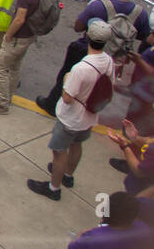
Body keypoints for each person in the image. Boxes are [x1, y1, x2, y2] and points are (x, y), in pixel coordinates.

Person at [28, 20, 116, 201]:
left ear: (87, 36)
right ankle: (68, 175)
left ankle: (53, 187)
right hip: (89, 118)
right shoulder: (108, 62)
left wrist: (67, 79)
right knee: (77, 145)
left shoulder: (80, 69)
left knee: (59, 152)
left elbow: (67, 98)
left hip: (71, 119)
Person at [38, 0, 150, 113]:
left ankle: (52, 104)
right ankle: (88, 108)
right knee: (97, 85)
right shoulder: (140, 13)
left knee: (67, 75)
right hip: (114, 57)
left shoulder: (99, 6)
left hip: (87, 49)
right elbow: (143, 35)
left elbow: (78, 27)